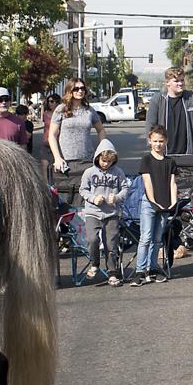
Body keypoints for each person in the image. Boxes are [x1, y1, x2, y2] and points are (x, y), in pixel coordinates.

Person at [145, 67, 193, 258]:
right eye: (176, 81)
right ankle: (165, 241)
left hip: (187, 156)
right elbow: (149, 127)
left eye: (182, 80)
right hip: (164, 158)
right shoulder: (158, 100)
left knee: (189, 199)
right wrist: (153, 150)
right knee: (165, 199)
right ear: (167, 83)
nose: (180, 84)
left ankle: (188, 237)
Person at [131, 125, 177, 286]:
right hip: (150, 204)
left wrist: (173, 201)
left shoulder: (170, 161)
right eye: (155, 141)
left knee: (157, 239)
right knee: (146, 237)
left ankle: (152, 269)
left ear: (166, 142)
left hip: (165, 205)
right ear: (149, 141)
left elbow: (172, 182)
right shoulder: (146, 160)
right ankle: (140, 271)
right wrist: (153, 201)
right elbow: (147, 182)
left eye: (161, 141)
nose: (158, 144)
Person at [79, 139, 128, 286]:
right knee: (92, 239)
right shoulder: (89, 172)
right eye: (103, 160)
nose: (106, 164)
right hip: (93, 212)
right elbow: (83, 190)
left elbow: (125, 189)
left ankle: (112, 272)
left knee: (111, 244)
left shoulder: (118, 172)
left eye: (109, 161)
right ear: (97, 157)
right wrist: (93, 199)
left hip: (111, 213)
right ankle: (94, 263)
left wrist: (117, 197)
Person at [49, 78, 105, 206]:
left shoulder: (89, 110)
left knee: (87, 199)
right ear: (70, 90)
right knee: (67, 200)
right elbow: (52, 135)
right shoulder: (61, 109)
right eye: (76, 88)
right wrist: (57, 158)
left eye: (82, 88)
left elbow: (101, 130)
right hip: (66, 162)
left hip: (87, 161)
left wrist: (100, 152)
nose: (80, 91)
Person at [40, 93, 60, 182]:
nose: (52, 104)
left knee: (54, 165)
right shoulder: (45, 114)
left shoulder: (61, 114)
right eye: (50, 101)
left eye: (54, 101)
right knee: (44, 165)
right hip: (46, 142)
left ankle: (55, 186)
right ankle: (45, 186)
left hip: (57, 142)